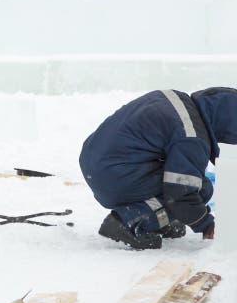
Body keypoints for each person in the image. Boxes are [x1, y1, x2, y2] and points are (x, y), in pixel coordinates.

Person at [79, 87, 237, 250]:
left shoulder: (178, 102)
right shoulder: (192, 136)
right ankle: (129, 221)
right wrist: (207, 225)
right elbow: (181, 193)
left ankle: (158, 220)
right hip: (114, 175)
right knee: (200, 188)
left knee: (187, 183)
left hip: (98, 163)